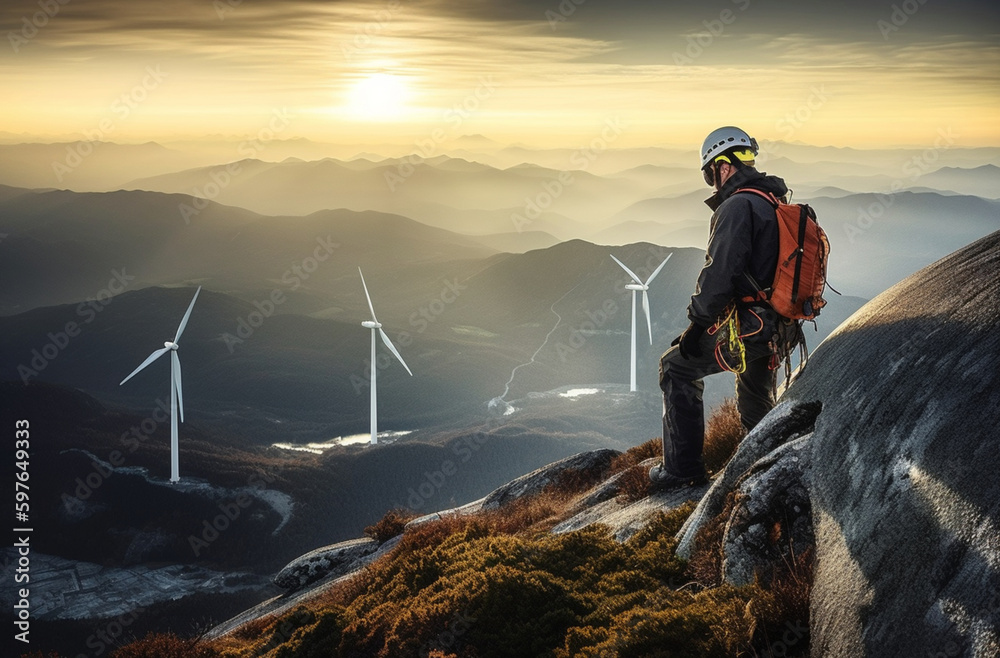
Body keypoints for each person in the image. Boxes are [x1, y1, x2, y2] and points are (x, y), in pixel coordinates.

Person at [649, 126, 789, 490]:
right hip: (781, 326)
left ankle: (683, 472)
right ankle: (768, 473)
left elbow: (719, 273)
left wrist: (697, 326)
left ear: (723, 167)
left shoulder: (737, 206)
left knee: (675, 367)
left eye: (711, 172)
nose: (712, 181)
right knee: (756, 400)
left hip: (753, 328)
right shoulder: (774, 201)